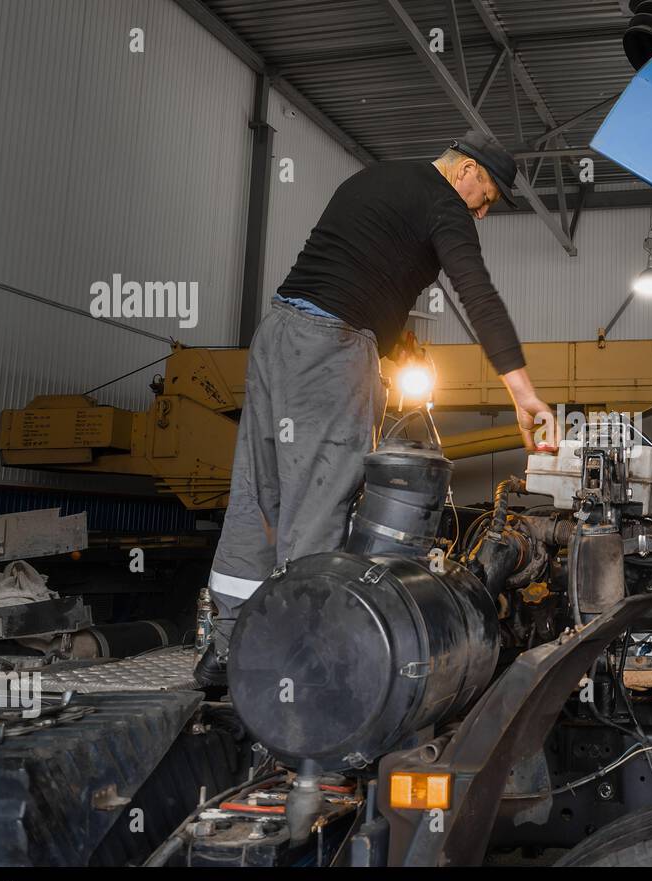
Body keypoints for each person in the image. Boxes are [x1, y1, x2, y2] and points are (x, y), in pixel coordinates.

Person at [195, 130, 556, 685]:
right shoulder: (443, 201)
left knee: (257, 497)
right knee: (318, 504)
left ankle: (227, 650)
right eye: (485, 200)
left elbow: (359, 262)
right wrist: (522, 392)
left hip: (277, 337)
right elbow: (477, 294)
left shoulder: (376, 176)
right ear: (466, 172)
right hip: (333, 348)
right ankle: (297, 667)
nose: (480, 215)